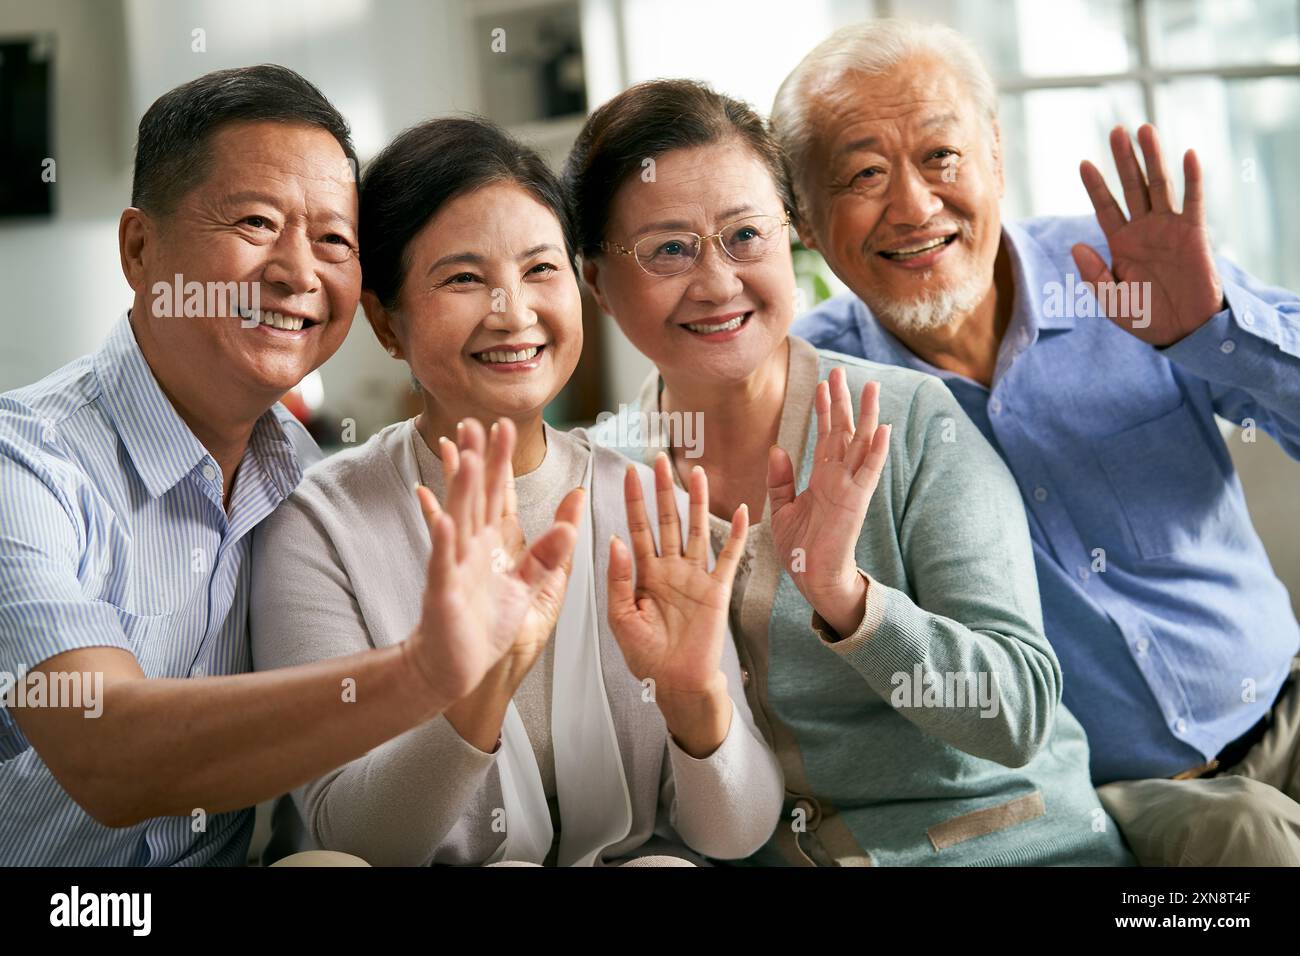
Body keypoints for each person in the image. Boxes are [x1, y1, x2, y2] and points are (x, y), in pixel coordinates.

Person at [0, 66, 572, 866]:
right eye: (256, 222)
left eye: (334, 240)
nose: (299, 272)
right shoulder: (23, 467)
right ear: (139, 247)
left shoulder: (302, 479)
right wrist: (425, 673)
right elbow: (106, 753)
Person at [568, 78, 1132, 865]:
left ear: (791, 235)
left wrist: (849, 600)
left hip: (1000, 848)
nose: (718, 282)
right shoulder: (600, 478)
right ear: (595, 279)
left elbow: (1016, 715)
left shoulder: (907, 423)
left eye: (745, 236)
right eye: (668, 249)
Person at [779, 19, 1300, 865]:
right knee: (1250, 839)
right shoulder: (816, 403)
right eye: (863, 174)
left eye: (941, 157)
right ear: (802, 214)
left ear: (994, 154)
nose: (914, 206)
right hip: (1113, 800)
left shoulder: (1125, 271)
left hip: (1285, 702)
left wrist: (1211, 333)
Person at [249, 117, 783, 867]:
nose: (513, 312)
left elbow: (733, 834)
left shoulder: (642, 500)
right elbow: (354, 835)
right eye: (464, 278)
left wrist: (696, 697)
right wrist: (482, 681)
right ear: (385, 321)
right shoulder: (319, 526)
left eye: (540, 269)